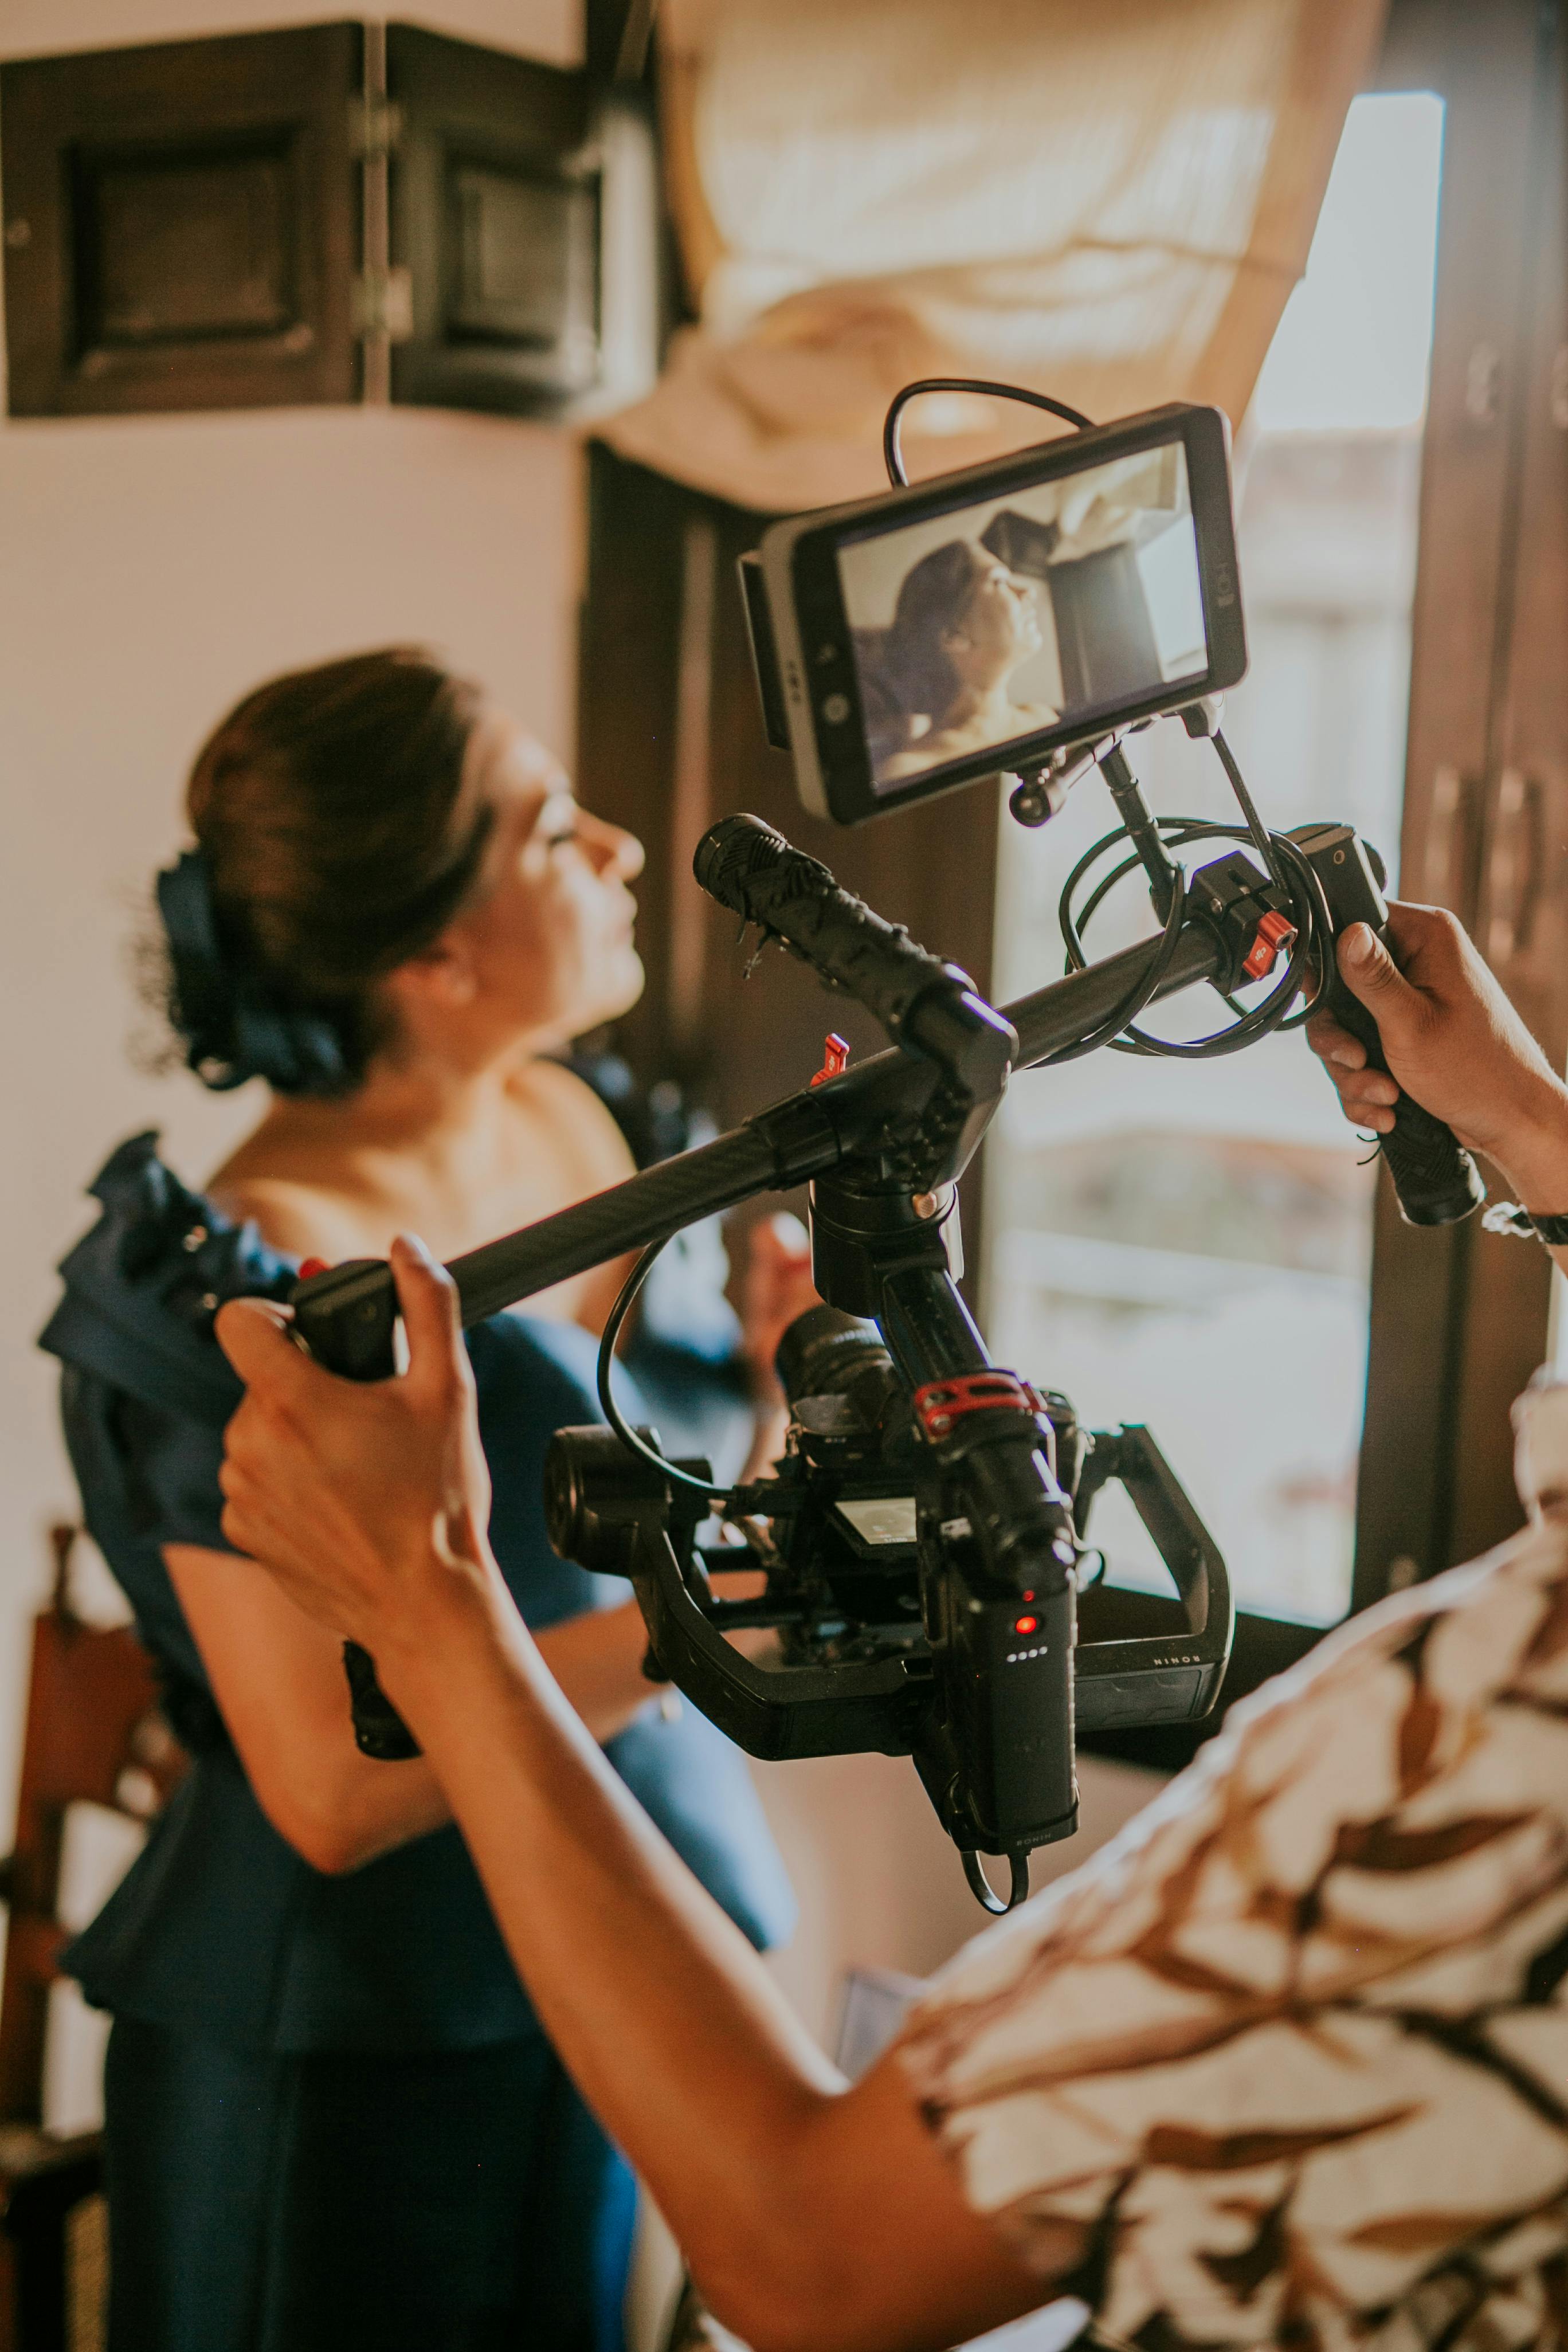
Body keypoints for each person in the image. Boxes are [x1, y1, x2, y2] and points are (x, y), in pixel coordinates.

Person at [213, 895, 1568, 2352]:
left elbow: (814, 2260)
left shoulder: (1472, 1746)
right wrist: (1530, 1126)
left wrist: (433, 1605)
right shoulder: (247, 1228)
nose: (609, 859)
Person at [38, 649, 803, 2352]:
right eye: (552, 831)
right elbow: (324, 1783)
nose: (618, 846)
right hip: (351, 2040)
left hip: (611, 1960)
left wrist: (770, 1392)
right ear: (439, 953)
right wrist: (713, 1624)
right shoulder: (241, 1288)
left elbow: (668, 1512)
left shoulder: (584, 1123)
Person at [874, 542, 1056, 785]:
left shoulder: (1043, 719)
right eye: (999, 581)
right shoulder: (908, 770)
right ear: (954, 635)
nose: (1028, 592)